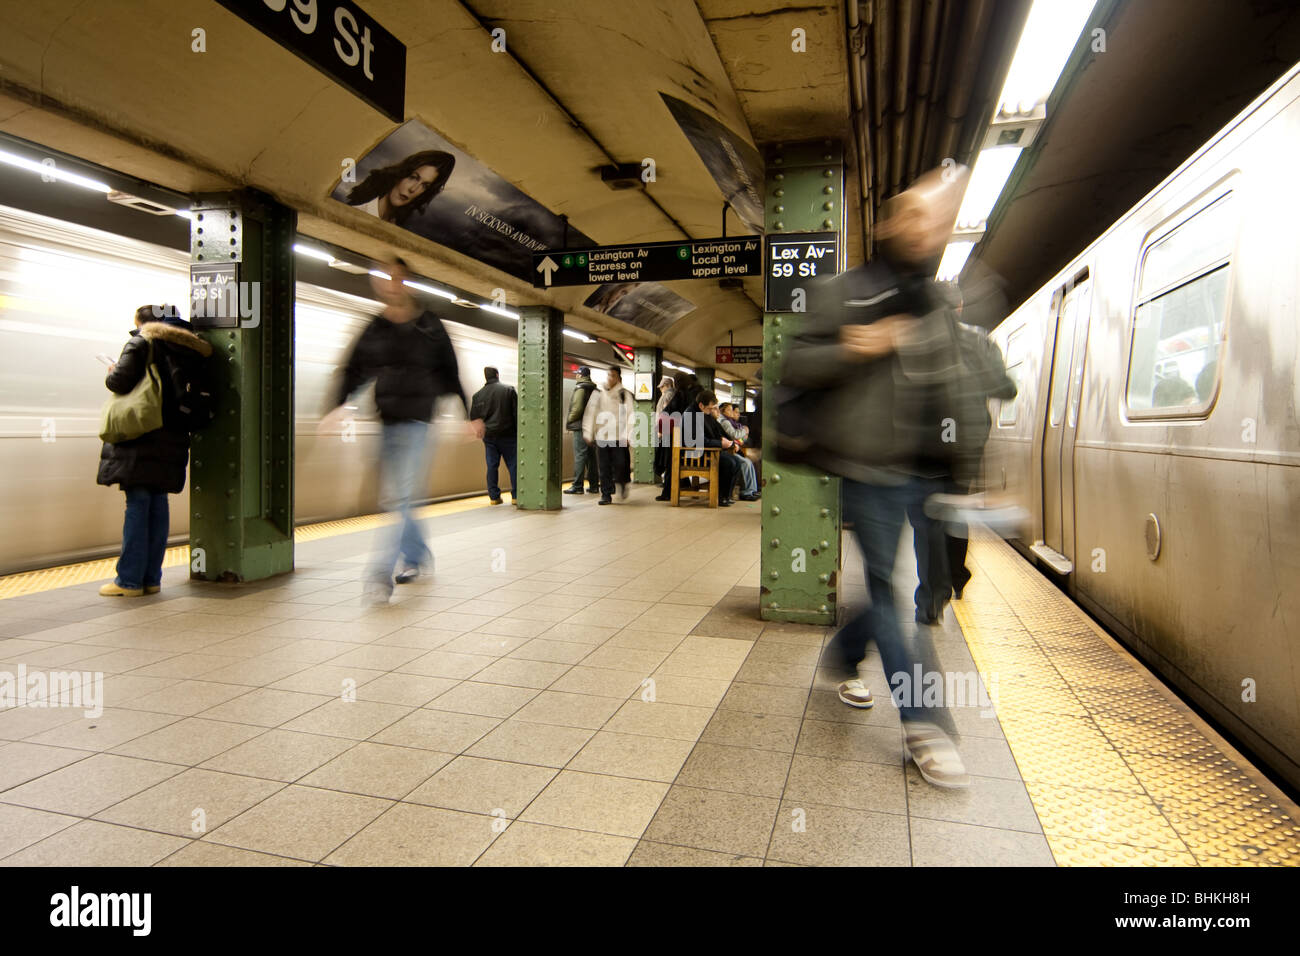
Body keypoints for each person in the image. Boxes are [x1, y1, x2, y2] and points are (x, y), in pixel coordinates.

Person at [779, 165, 976, 788]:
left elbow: (959, 391)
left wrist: (968, 463)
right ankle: (928, 726)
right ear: (888, 223)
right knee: (896, 596)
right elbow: (793, 363)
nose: (925, 230)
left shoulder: (940, 302)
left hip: (931, 473)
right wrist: (854, 347)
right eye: (914, 216)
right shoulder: (840, 291)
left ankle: (842, 654)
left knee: (905, 591)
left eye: (937, 222)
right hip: (869, 470)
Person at [322, 256, 467, 602]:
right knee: (401, 498)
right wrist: (337, 405)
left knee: (398, 497)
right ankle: (418, 556)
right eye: (383, 278)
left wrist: (468, 412)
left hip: (419, 422)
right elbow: (354, 368)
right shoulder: (376, 328)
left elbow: (450, 369)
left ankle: (378, 574)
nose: (390, 284)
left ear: (407, 282)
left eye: (396, 277)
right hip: (386, 421)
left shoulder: (430, 325)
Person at [97, 305, 214, 597]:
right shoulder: (190, 349)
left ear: (143, 323)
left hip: (142, 434)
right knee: (158, 504)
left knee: (137, 503)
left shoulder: (142, 342)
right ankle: (151, 578)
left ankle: (129, 581)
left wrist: (113, 370)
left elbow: (119, 381)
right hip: (173, 435)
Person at [345, 150, 456, 226]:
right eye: (413, 177)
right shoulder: (354, 214)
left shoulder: (396, 228)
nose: (413, 189)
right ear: (400, 174)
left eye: (424, 186)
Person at [581, 367, 634, 505]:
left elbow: (630, 415)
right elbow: (591, 412)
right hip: (602, 436)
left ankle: (622, 483)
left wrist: (629, 434)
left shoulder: (623, 394)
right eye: (609, 375)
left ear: (618, 378)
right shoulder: (598, 393)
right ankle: (606, 494)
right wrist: (588, 432)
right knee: (603, 467)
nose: (610, 378)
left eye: (613, 376)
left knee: (621, 464)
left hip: (619, 436)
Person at [469, 367, 518, 505]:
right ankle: (515, 496)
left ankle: (494, 497)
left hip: (489, 437)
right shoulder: (508, 390)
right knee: (514, 465)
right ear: (497, 375)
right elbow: (517, 414)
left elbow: (474, 418)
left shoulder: (477, 395)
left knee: (491, 466)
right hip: (508, 435)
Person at [686, 390, 740, 507]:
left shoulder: (705, 413)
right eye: (710, 408)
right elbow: (698, 442)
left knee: (737, 461)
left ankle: (726, 496)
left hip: (707, 452)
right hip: (694, 455)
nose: (712, 411)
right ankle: (720, 497)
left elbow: (719, 430)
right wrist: (721, 444)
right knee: (729, 463)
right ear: (701, 405)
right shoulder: (691, 415)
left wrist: (731, 443)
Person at [654, 371, 700, 501]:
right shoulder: (697, 394)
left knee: (671, 461)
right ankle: (685, 484)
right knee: (674, 458)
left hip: (679, 438)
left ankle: (667, 492)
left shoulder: (681, 395)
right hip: (695, 441)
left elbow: (667, 413)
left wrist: (661, 429)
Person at [564, 366, 599, 494]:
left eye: (577, 374)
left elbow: (577, 408)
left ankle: (577, 486)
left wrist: (570, 420)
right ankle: (594, 485)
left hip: (580, 426)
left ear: (580, 375)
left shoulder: (580, 388)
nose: (576, 376)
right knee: (591, 456)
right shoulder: (595, 389)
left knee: (580, 455)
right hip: (592, 426)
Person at [718, 402, 760, 502]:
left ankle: (752, 490)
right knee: (745, 463)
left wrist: (741, 436)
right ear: (722, 411)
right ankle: (746, 492)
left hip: (732, 449)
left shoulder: (732, 422)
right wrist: (745, 431)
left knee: (749, 462)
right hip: (728, 451)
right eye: (729, 410)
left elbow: (741, 439)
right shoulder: (725, 422)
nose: (732, 412)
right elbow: (735, 435)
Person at [652, 375, 676, 482]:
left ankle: (666, 481)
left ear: (667, 385)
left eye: (662, 387)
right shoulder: (674, 395)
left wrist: (660, 430)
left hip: (665, 431)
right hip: (669, 431)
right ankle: (667, 480)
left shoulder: (667, 396)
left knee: (664, 456)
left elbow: (664, 414)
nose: (661, 389)